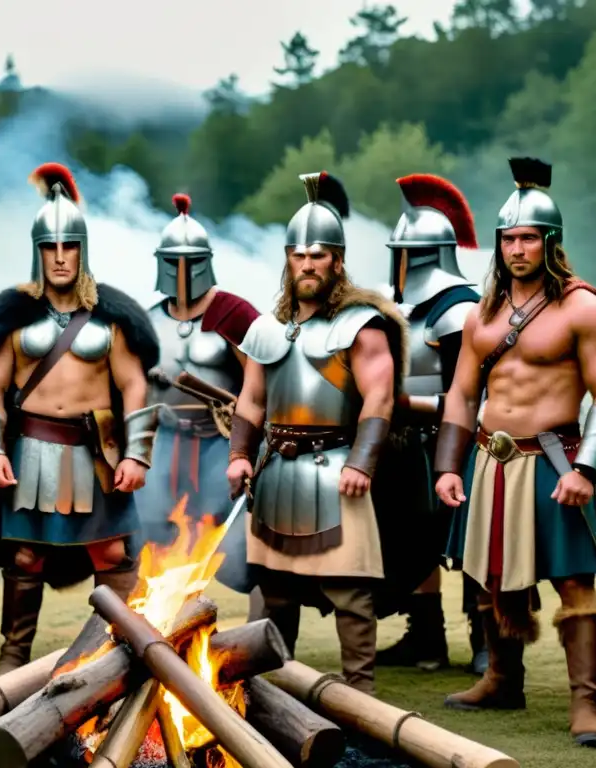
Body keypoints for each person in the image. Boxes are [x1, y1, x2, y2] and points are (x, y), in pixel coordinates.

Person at [435, 157, 596, 749]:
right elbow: (463, 392)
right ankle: (501, 680)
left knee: (574, 583)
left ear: (550, 242)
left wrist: (588, 470)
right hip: (490, 459)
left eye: (528, 238)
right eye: (509, 238)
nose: (517, 248)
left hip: (554, 459)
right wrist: (448, 463)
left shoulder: (584, 308)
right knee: (495, 581)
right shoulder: (481, 313)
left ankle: (587, 707)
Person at [0, 162, 160, 676]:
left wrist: (137, 454)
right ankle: (12, 660)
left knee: (112, 554)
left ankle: (120, 657)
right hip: (29, 448)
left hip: (94, 453)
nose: (59, 257)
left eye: (69, 246)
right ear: (37, 251)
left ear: (83, 249)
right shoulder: (10, 315)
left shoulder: (111, 316)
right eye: (50, 247)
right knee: (26, 558)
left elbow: (133, 385)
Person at [225, 172, 407, 695]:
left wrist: (362, 462)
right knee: (273, 595)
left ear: (338, 261)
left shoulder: (363, 325)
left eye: (320, 255)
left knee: (351, 594)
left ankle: (361, 699)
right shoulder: (265, 328)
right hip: (275, 472)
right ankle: (269, 695)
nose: (308, 264)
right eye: (299, 255)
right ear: (288, 259)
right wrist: (240, 453)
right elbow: (253, 398)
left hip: (337, 469)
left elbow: (380, 397)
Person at [373, 174, 488, 674]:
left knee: (471, 545)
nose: (400, 263)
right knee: (413, 544)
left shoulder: (459, 310)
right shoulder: (393, 307)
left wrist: (408, 404)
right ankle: (426, 639)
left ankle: (488, 643)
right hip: (404, 450)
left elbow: (472, 397)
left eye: (406, 253)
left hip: (457, 444)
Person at [135, 192, 260, 591]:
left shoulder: (234, 316)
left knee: (227, 540)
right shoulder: (148, 321)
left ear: (206, 262)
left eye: (190, 262)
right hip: (165, 441)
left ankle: (248, 635)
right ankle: (163, 630)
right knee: (156, 535)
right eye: (173, 262)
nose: (182, 271)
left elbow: (260, 386)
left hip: (219, 441)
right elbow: (133, 391)